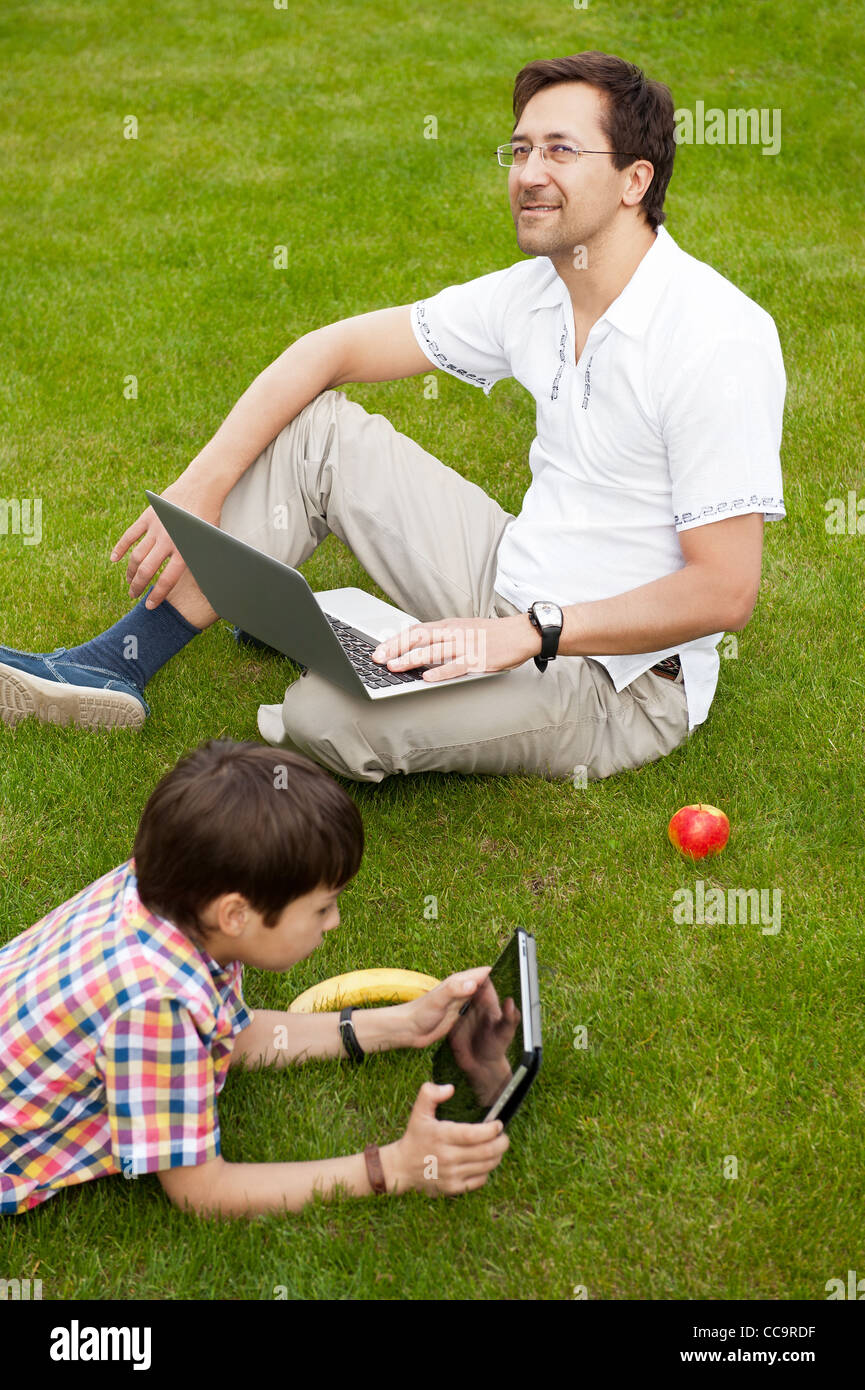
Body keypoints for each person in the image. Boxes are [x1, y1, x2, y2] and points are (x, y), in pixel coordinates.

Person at [0, 50, 785, 782]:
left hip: (618, 679)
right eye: (518, 151)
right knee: (319, 431)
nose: (527, 174)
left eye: (558, 150)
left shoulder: (714, 338)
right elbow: (328, 352)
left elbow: (723, 591)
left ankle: (323, 631)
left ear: (633, 180)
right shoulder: (539, 290)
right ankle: (114, 663)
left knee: (322, 716)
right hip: (508, 574)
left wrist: (529, 633)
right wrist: (198, 490)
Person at [0, 741, 509, 1217]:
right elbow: (202, 1190)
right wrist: (392, 1168)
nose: (333, 922)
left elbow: (229, 1035)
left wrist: (403, 1025)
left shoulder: (161, 889)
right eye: (322, 907)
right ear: (235, 914)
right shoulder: (157, 1007)